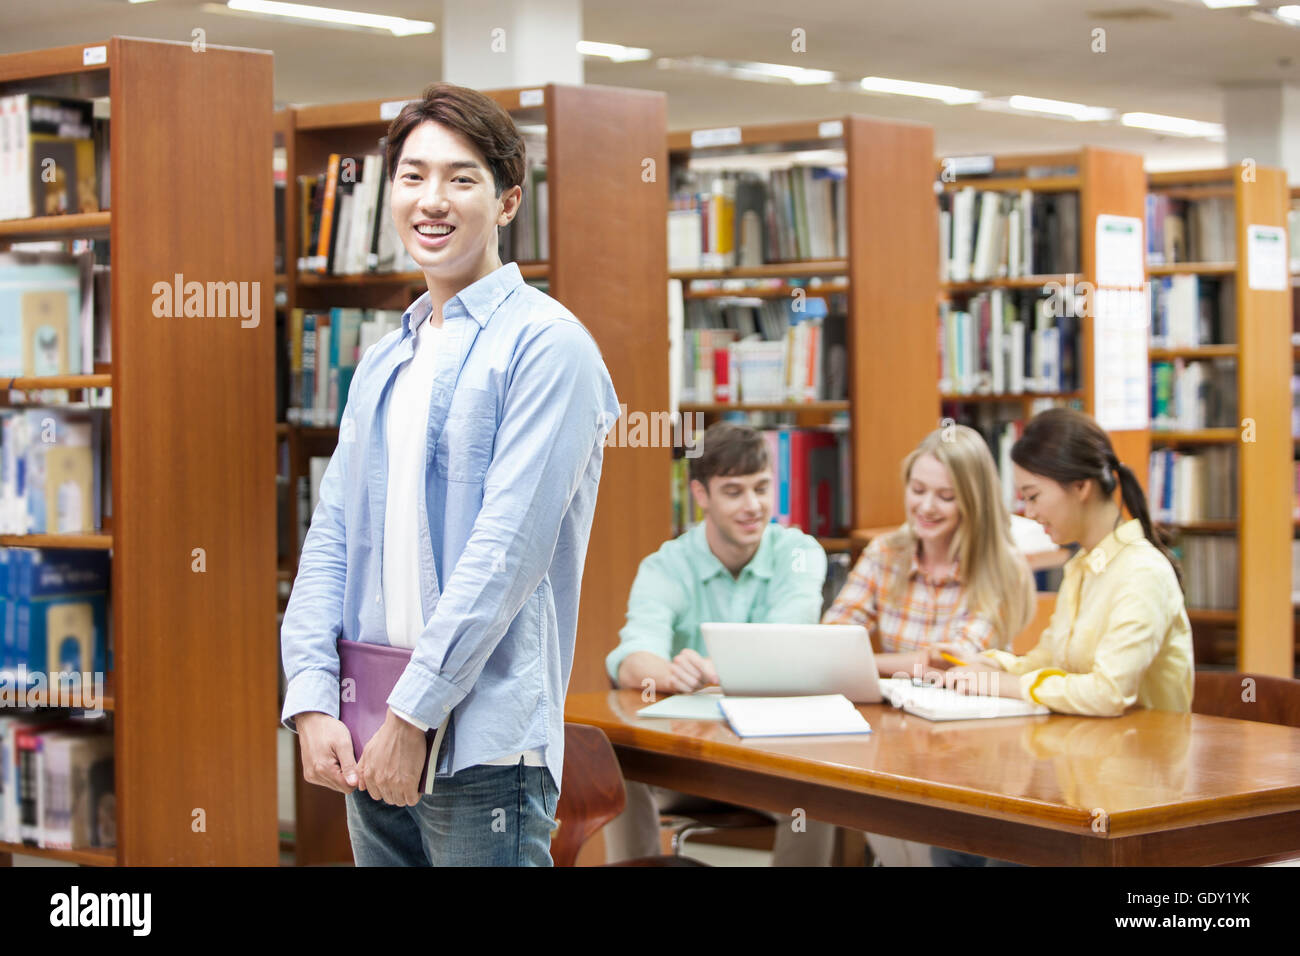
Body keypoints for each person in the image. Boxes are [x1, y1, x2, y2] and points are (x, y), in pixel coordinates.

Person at [279, 83, 621, 867]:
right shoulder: (383, 357)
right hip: (364, 727)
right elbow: (330, 537)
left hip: (480, 751)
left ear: (506, 203)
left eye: (461, 179)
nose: (432, 200)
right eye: (413, 176)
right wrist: (310, 697)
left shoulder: (548, 348)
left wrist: (413, 717)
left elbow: (505, 555)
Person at [939, 407, 1193, 866]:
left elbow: (1109, 692)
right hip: (1081, 776)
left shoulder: (1141, 572)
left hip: (1134, 794)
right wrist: (991, 665)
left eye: (1033, 496)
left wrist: (1011, 684)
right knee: (957, 835)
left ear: (1081, 487)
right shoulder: (1082, 567)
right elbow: (1050, 655)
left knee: (994, 851)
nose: (1028, 512)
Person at [603, 422, 837, 865]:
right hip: (686, 764)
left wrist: (713, 670)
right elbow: (631, 658)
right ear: (701, 495)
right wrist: (672, 673)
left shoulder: (799, 553)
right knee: (615, 764)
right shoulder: (666, 564)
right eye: (733, 492)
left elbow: (787, 643)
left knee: (818, 798)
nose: (753, 506)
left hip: (772, 762)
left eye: (762, 488)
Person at [821, 422, 1035, 868]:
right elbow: (831, 642)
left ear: (972, 502)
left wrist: (872, 662)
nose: (926, 506)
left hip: (977, 752)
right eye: (918, 489)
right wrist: (909, 662)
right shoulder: (886, 553)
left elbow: (953, 662)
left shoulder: (1002, 568)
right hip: (895, 741)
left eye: (945, 495)